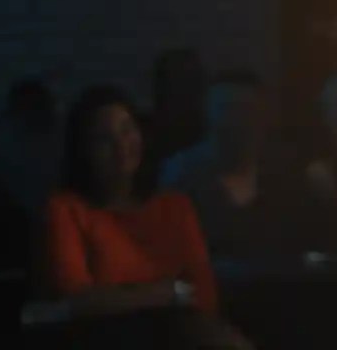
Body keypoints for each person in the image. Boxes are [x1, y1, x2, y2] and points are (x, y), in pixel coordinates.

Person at [37, 85, 251, 349]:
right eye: (103, 138)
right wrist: (168, 293)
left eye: (127, 130)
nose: (121, 146)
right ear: (82, 150)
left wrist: (136, 298)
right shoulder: (67, 209)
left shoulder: (174, 206)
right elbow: (79, 300)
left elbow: (204, 296)